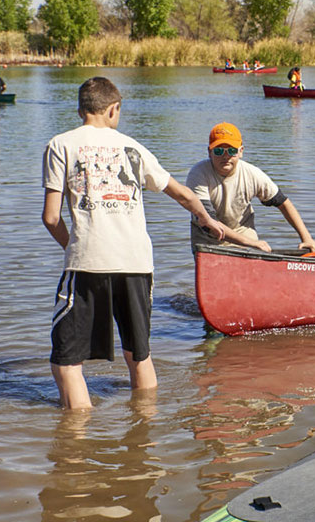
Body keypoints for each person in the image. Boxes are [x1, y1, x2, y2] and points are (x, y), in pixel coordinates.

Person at [41, 77, 226, 409]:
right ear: (114, 109)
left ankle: (75, 438)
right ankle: (144, 429)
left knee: (67, 363)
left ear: (80, 110)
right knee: (139, 355)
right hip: (137, 263)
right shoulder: (133, 147)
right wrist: (207, 219)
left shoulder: (61, 144)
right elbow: (182, 194)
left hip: (88, 262)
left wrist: (73, 246)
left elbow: (51, 217)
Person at [186, 122, 315, 254]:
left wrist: (307, 238)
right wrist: (251, 243)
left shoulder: (252, 174)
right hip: (208, 243)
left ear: (241, 152)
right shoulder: (198, 174)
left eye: (232, 151)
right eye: (219, 151)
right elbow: (208, 222)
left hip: (245, 237)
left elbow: (283, 203)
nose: (225, 156)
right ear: (209, 152)